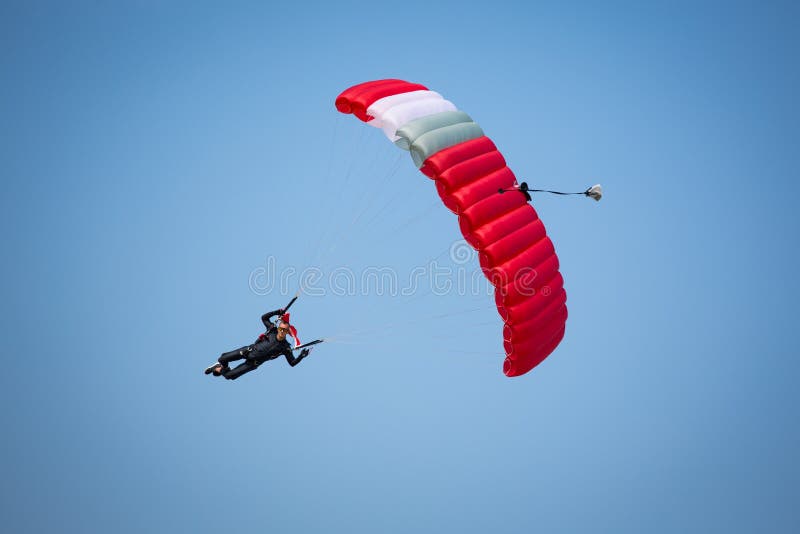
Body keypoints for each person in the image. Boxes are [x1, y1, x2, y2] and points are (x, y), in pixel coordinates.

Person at [205, 308, 310, 380]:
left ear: (288, 332)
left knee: (229, 376)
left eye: (285, 330)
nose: (282, 331)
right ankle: (221, 365)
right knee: (222, 358)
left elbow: (292, 363)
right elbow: (264, 318)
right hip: (247, 351)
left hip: (253, 363)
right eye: (281, 329)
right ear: (278, 328)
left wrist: (301, 356)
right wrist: (277, 312)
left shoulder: (285, 347)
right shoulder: (272, 330)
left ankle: (219, 369)